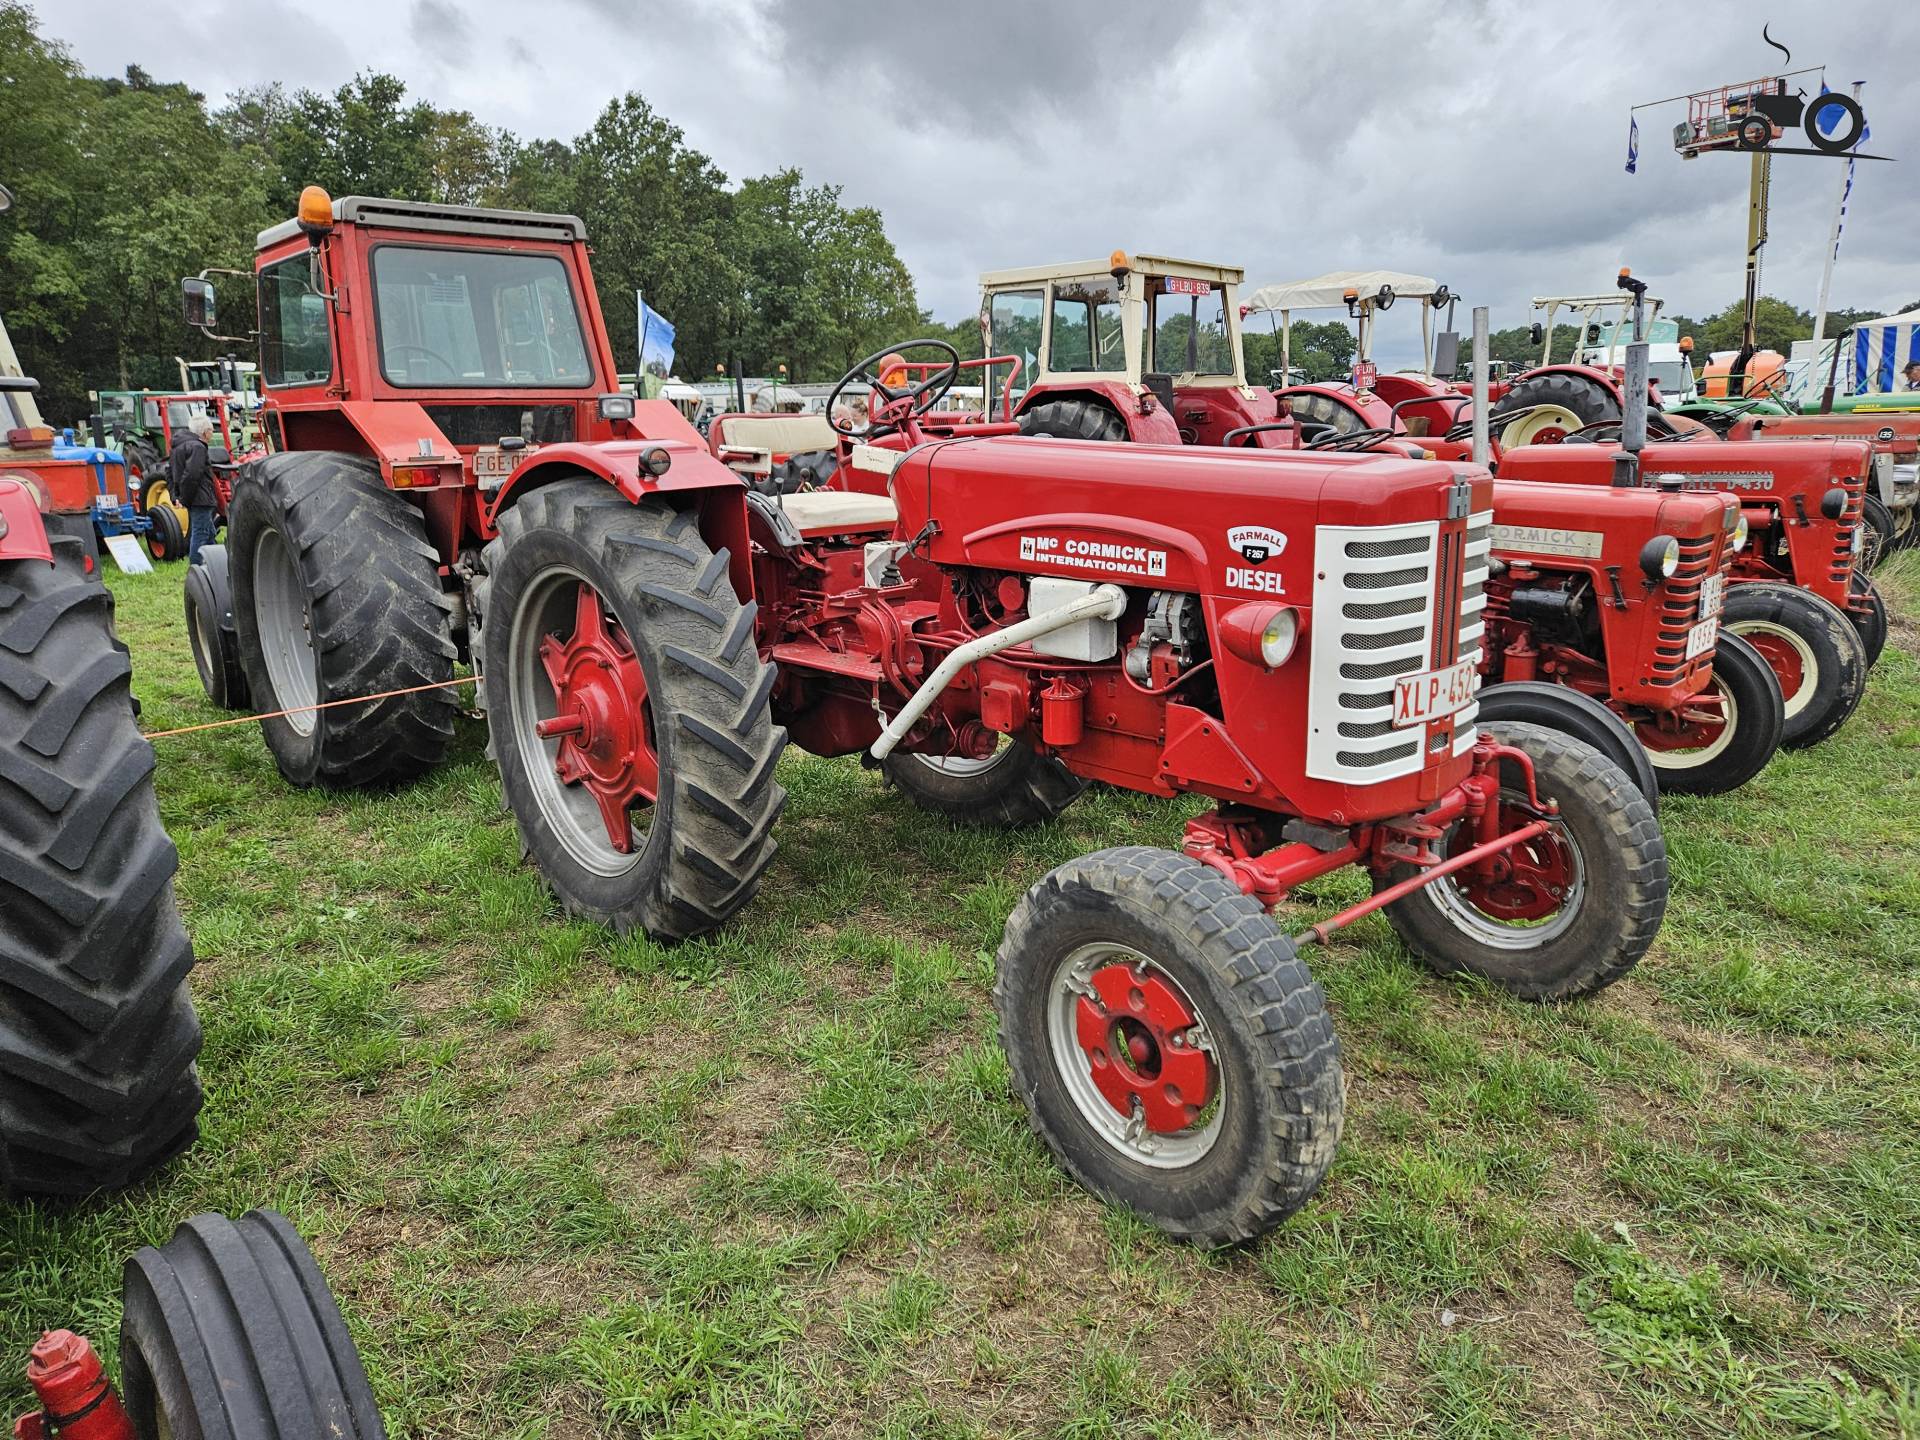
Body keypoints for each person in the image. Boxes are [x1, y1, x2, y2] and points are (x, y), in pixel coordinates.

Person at [171, 413, 219, 566]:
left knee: (210, 532)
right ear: (205, 432)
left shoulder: (178, 446)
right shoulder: (198, 447)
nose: (212, 433)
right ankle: (196, 568)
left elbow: (171, 473)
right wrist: (186, 498)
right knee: (200, 533)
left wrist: (177, 495)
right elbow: (192, 475)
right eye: (211, 430)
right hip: (201, 499)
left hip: (194, 498)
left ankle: (217, 564)